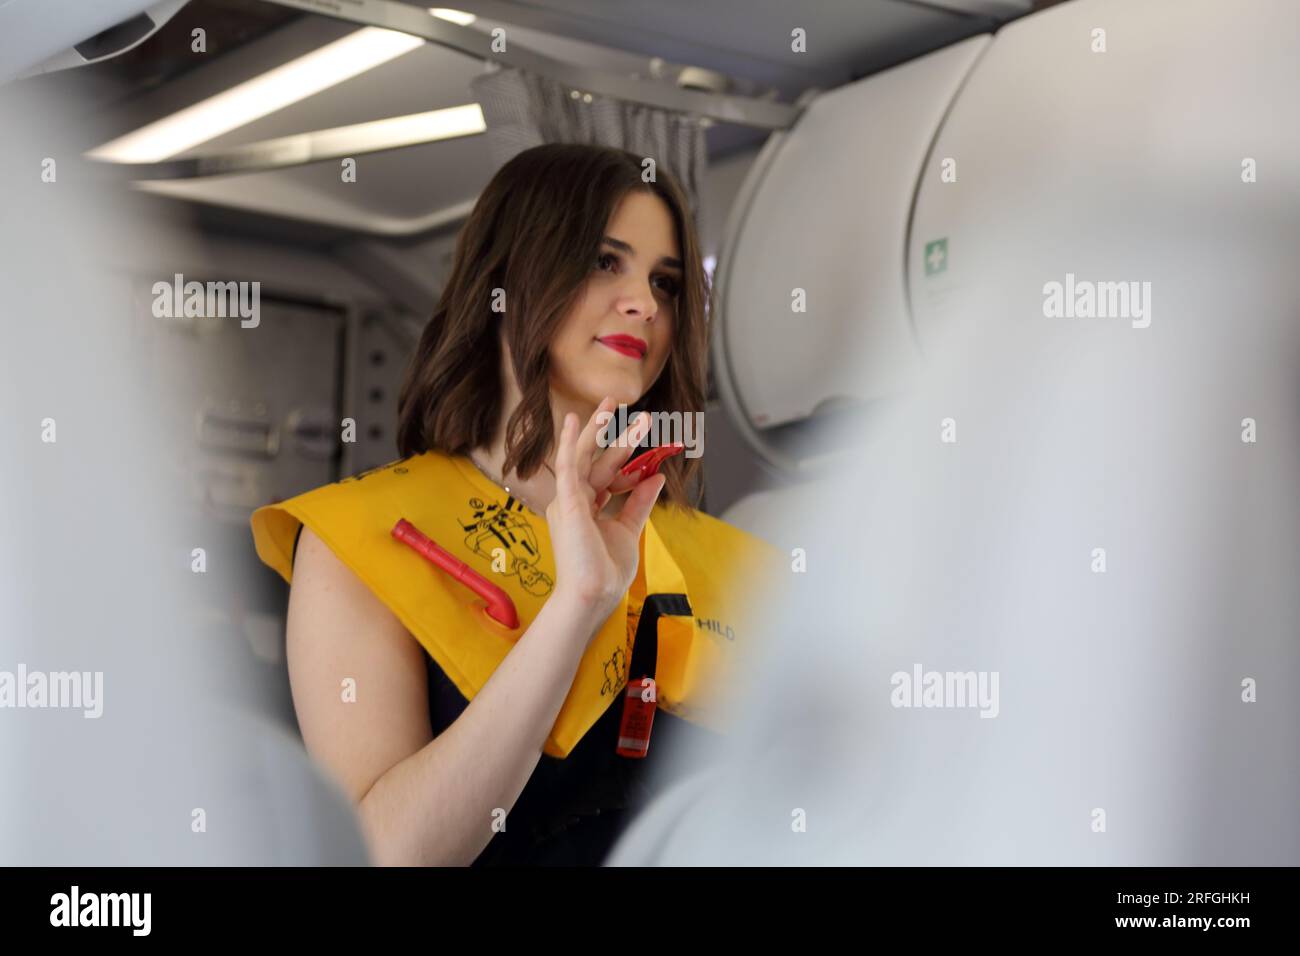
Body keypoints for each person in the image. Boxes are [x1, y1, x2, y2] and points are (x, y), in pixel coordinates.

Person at [250, 143, 780, 866]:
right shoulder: (366, 537)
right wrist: (578, 604)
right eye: (604, 261)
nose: (645, 304)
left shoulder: (730, 563)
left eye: (666, 281)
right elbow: (390, 855)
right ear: (506, 279)